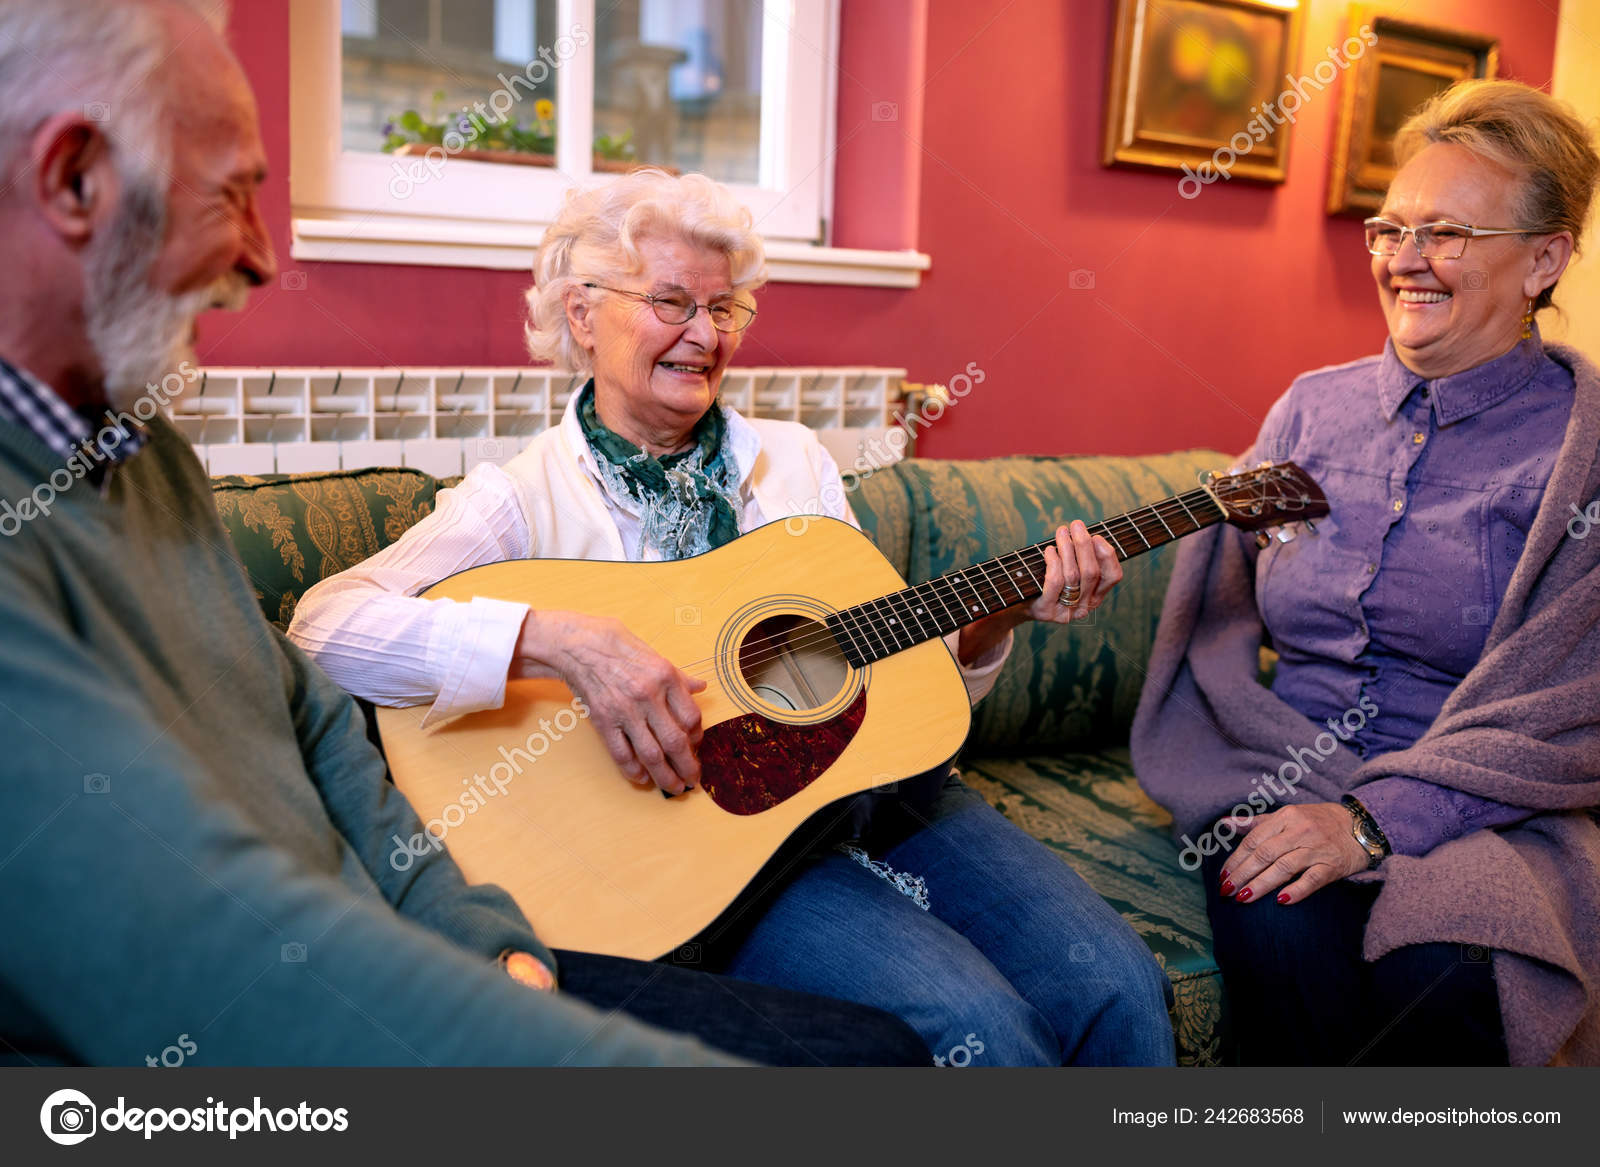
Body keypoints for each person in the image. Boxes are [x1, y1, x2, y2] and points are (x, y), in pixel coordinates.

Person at [0, 0, 933, 1068]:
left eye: (722, 308)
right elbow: (200, 952)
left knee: (892, 1052)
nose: (263, 259)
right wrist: (558, 642)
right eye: (233, 195)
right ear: (73, 181)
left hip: (409, 939)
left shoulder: (138, 451)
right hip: (252, 1035)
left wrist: (478, 935)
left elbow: (312, 736)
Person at [288, 168, 1177, 1066]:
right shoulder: (518, 500)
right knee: (982, 1034)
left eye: (726, 308)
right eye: (672, 301)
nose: (705, 335)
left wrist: (998, 621)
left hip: (882, 799)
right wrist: (556, 640)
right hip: (731, 855)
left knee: (1117, 985)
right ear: (583, 314)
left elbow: (884, 684)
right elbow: (322, 626)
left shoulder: (795, 465)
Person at [1132, 79, 1600, 1066]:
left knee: (1440, 975)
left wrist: (1372, 821)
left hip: (1491, 806)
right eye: (1390, 229)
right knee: (1274, 913)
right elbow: (1215, 593)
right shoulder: (1311, 409)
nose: (1403, 260)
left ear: (1545, 259)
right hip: (1283, 767)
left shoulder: (1580, 454)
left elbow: (1571, 706)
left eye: (1448, 235)